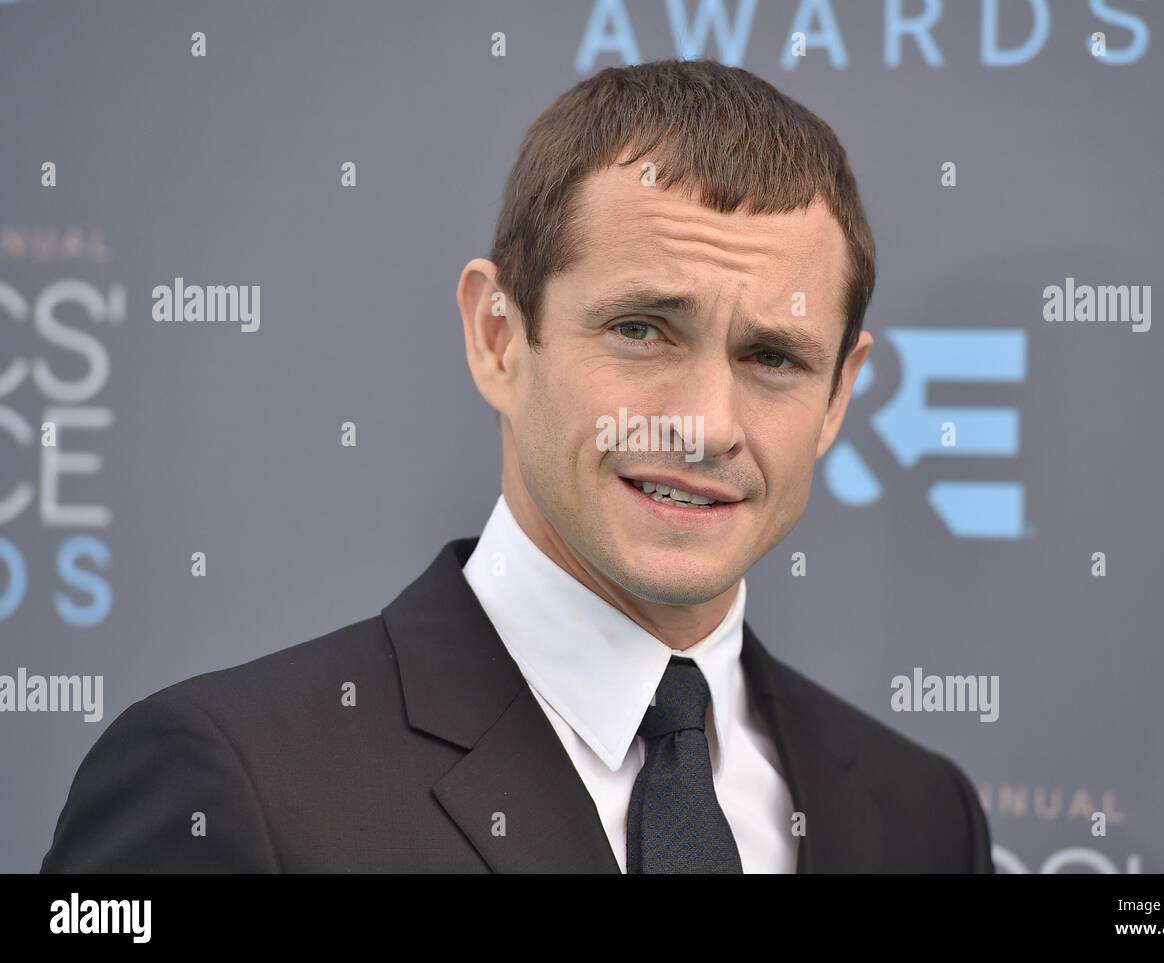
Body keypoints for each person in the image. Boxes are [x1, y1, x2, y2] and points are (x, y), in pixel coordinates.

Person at [41, 59, 992, 874]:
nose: (705, 426)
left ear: (838, 397)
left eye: (773, 358)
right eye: (641, 330)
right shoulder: (231, 779)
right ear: (499, 336)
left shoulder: (922, 818)